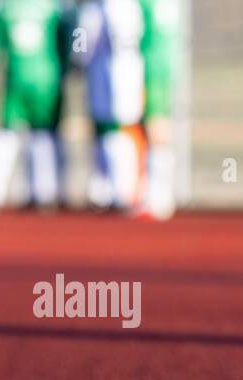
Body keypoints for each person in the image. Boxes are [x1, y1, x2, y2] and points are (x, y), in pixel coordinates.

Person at [0, 0, 66, 208]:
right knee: (11, 135)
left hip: (42, 80)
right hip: (26, 81)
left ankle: (42, 192)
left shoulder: (53, 7)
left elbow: (67, 41)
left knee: (39, 135)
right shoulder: (7, 7)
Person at [73, 0, 146, 211]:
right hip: (131, 68)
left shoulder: (97, 9)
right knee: (124, 129)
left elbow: (83, 45)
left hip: (107, 71)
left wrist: (77, 63)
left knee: (111, 130)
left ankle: (115, 190)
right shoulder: (132, 6)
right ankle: (115, 189)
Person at [136, 0, 178, 219]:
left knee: (155, 127)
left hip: (151, 67)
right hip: (164, 65)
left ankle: (158, 195)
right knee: (156, 126)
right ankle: (157, 193)